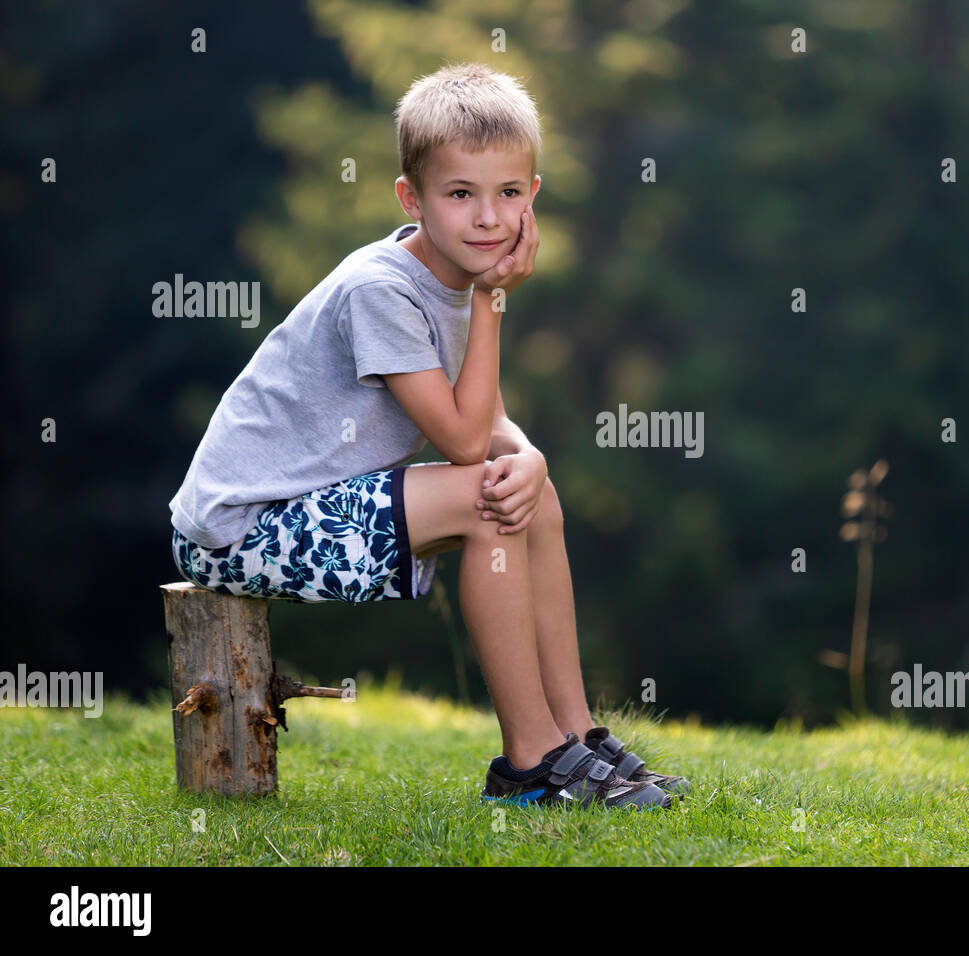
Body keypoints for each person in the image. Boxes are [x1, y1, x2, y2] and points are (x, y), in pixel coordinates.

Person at [168, 62, 688, 810]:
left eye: (508, 194)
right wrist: (494, 305)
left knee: (531, 496)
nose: (486, 218)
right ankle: (530, 765)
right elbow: (465, 443)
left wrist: (532, 457)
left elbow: (491, 423)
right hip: (239, 530)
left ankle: (575, 735)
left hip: (313, 508)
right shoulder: (384, 288)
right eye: (460, 194)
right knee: (488, 497)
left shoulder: (458, 277)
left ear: (532, 197)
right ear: (412, 199)